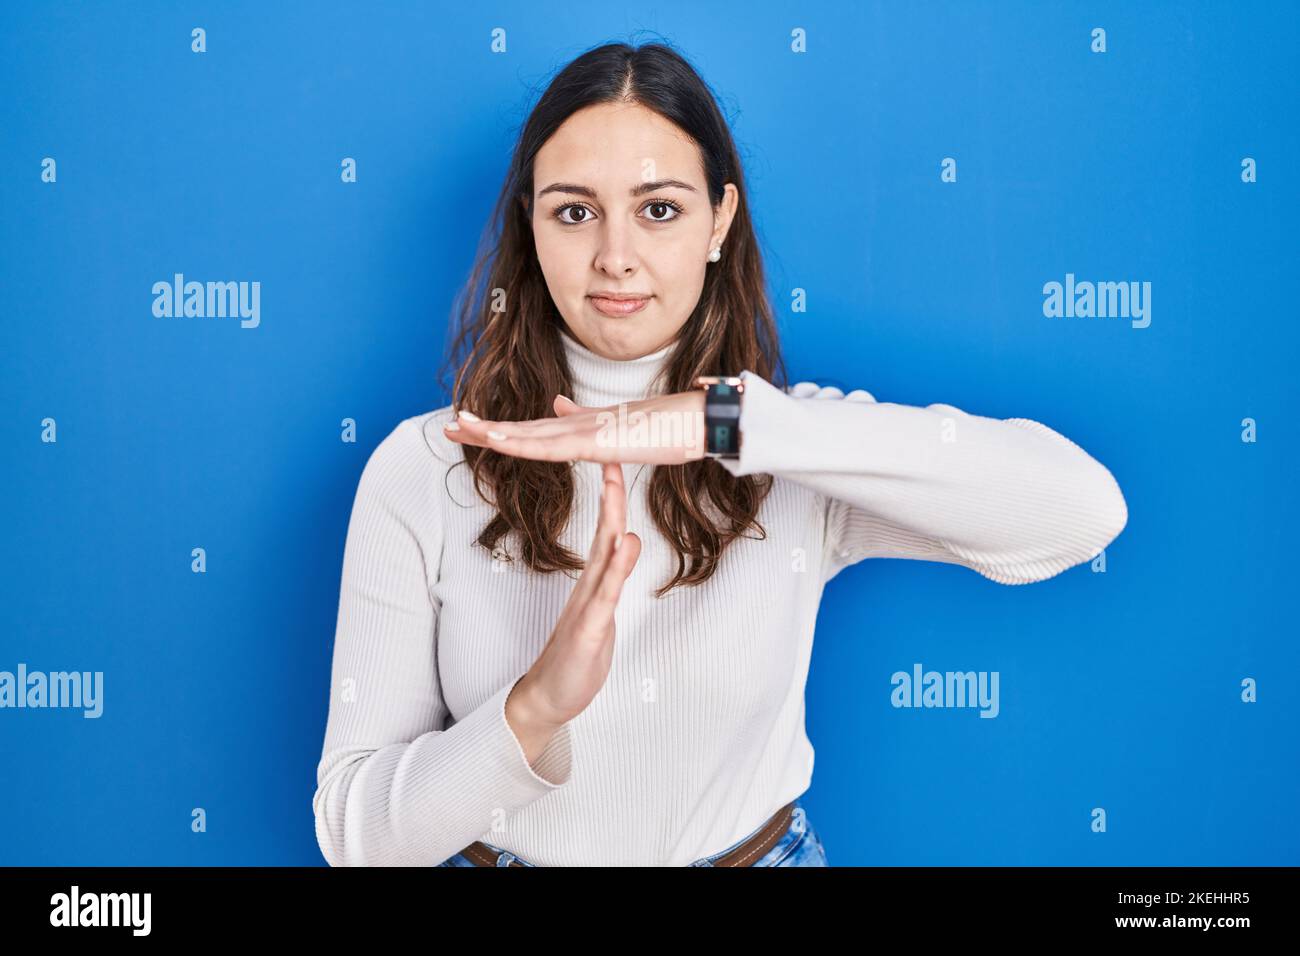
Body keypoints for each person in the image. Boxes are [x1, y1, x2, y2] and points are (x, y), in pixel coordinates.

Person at [311, 40, 1128, 867]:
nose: (615, 256)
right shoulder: (425, 465)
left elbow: (1081, 512)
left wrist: (730, 425)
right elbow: (354, 837)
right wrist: (531, 711)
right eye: (574, 210)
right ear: (531, 221)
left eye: (659, 208)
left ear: (719, 222)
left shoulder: (794, 451)